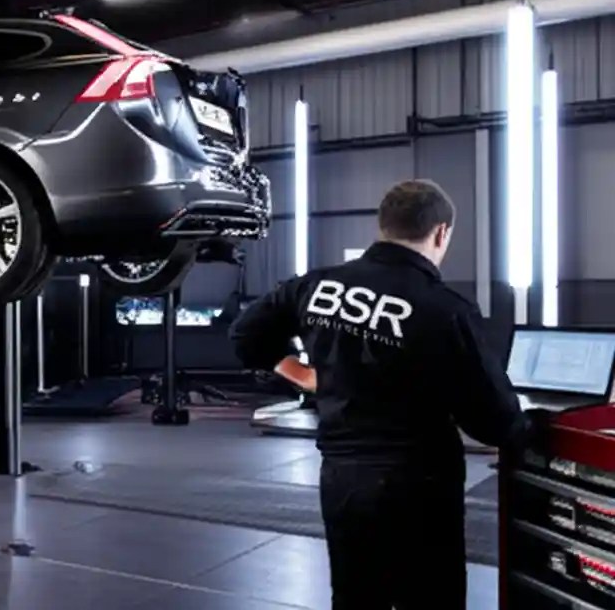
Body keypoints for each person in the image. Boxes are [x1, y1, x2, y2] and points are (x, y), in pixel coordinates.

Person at [229, 179, 534, 609]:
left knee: (355, 598)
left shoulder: (316, 286)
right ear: (441, 232)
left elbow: (245, 334)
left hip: (343, 481)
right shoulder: (445, 309)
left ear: (383, 226)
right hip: (419, 487)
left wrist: (304, 375)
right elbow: (496, 422)